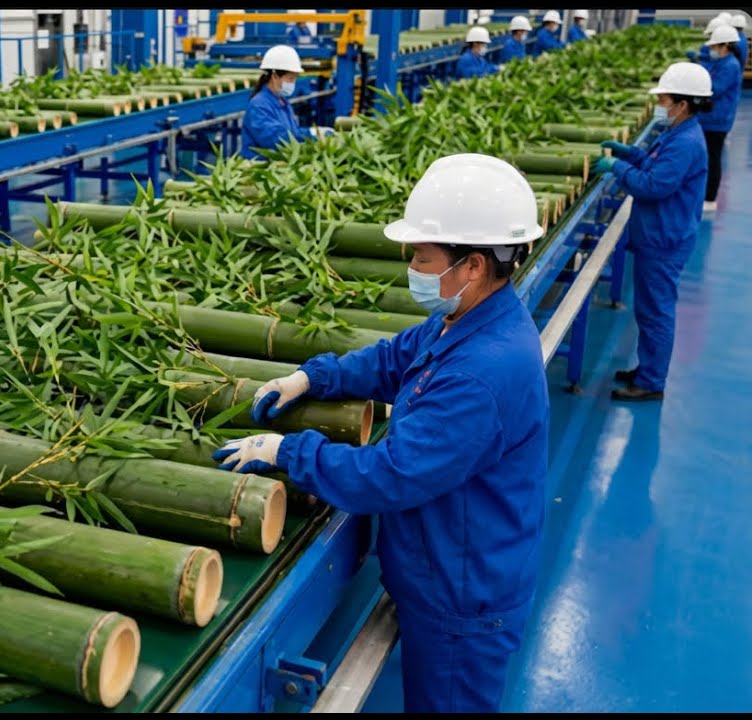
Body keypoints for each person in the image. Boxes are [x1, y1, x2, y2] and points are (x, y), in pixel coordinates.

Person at [212, 153, 549, 713]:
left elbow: (390, 476)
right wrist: (313, 377)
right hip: (442, 566)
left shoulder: (483, 372)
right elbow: (397, 358)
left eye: (421, 255)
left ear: (471, 265)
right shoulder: (467, 319)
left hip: (461, 599)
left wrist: (290, 451)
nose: (411, 265)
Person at [592, 62, 709, 401]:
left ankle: (651, 382)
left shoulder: (687, 141)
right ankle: (646, 369)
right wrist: (630, 154)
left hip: (664, 238)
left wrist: (618, 168)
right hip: (658, 233)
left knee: (656, 310)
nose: (661, 105)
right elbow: (656, 163)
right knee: (648, 308)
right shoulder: (679, 132)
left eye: (665, 99)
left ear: (682, 103)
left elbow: (655, 185)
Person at [239, 45, 330, 160]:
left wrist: (313, 133)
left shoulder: (283, 102)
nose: (293, 83)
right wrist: (311, 135)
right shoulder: (259, 105)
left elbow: (293, 132)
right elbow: (276, 139)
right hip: (258, 168)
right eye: (290, 79)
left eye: (295, 79)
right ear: (275, 76)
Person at [698, 24, 743, 212]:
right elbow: (709, 70)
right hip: (710, 118)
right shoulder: (722, 61)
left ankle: (709, 199)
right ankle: (705, 194)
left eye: (714, 47)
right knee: (708, 156)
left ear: (724, 46)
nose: (712, 50)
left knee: (713, 159)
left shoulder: (731, 65)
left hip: (717, 121)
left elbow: (714, 89)